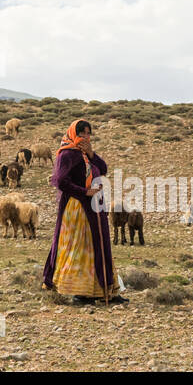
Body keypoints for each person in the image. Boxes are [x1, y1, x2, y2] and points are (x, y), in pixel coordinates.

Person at [42, 119, 125, 304]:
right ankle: (81, 292)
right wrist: (84, 191)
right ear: (73, 134)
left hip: (94, 206)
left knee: (99, 245)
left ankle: (106, 290)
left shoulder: (86, 154)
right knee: (82, 246)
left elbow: (103, 169)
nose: (86, 137)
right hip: (77, 207)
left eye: (88, 134)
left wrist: (91, 153)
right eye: (82, 134)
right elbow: (60, 181)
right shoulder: (66, 154)